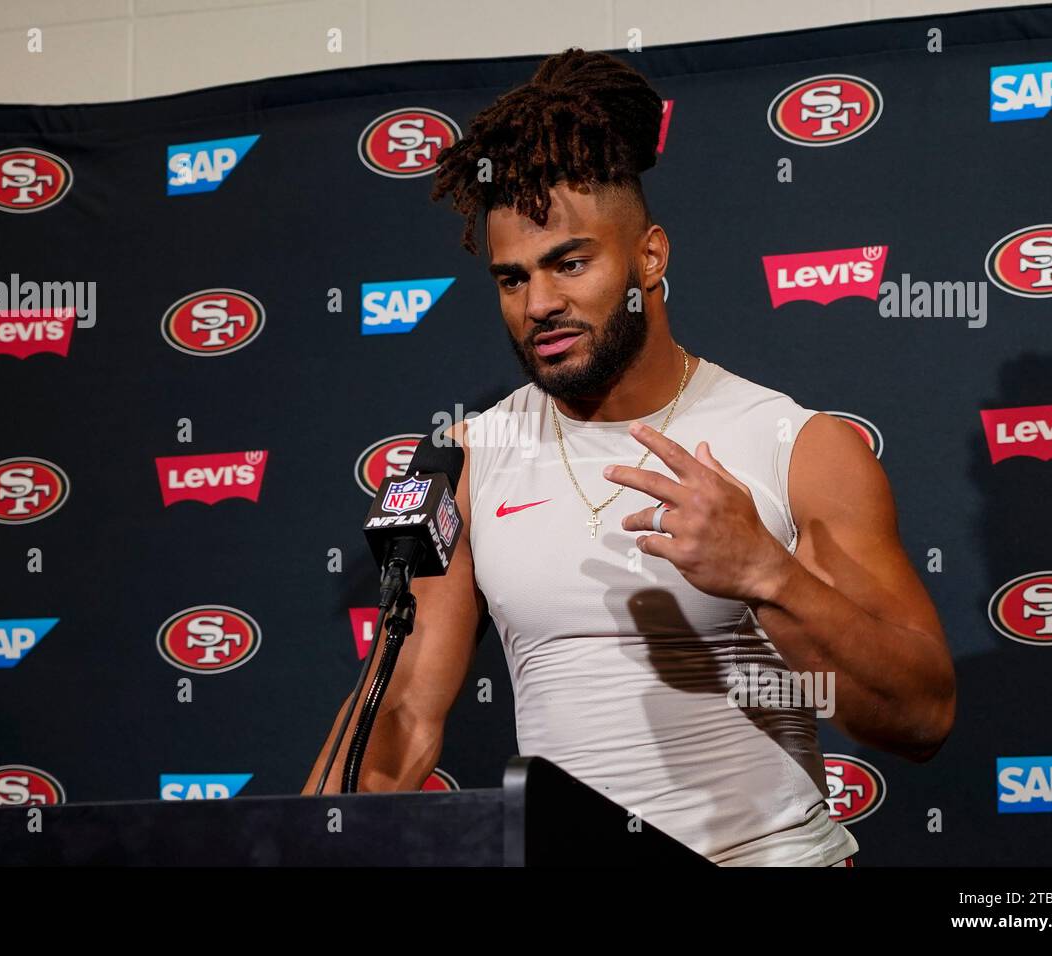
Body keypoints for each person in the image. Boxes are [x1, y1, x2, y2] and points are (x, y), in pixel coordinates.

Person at [305, 47, 955, 866]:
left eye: (570, 263)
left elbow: (921, 717)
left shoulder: (796, 444)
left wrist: (767, 574)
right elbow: (398, 722)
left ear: (649, 255)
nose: (540, 303)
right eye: (512, 280)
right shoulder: (465, 458)